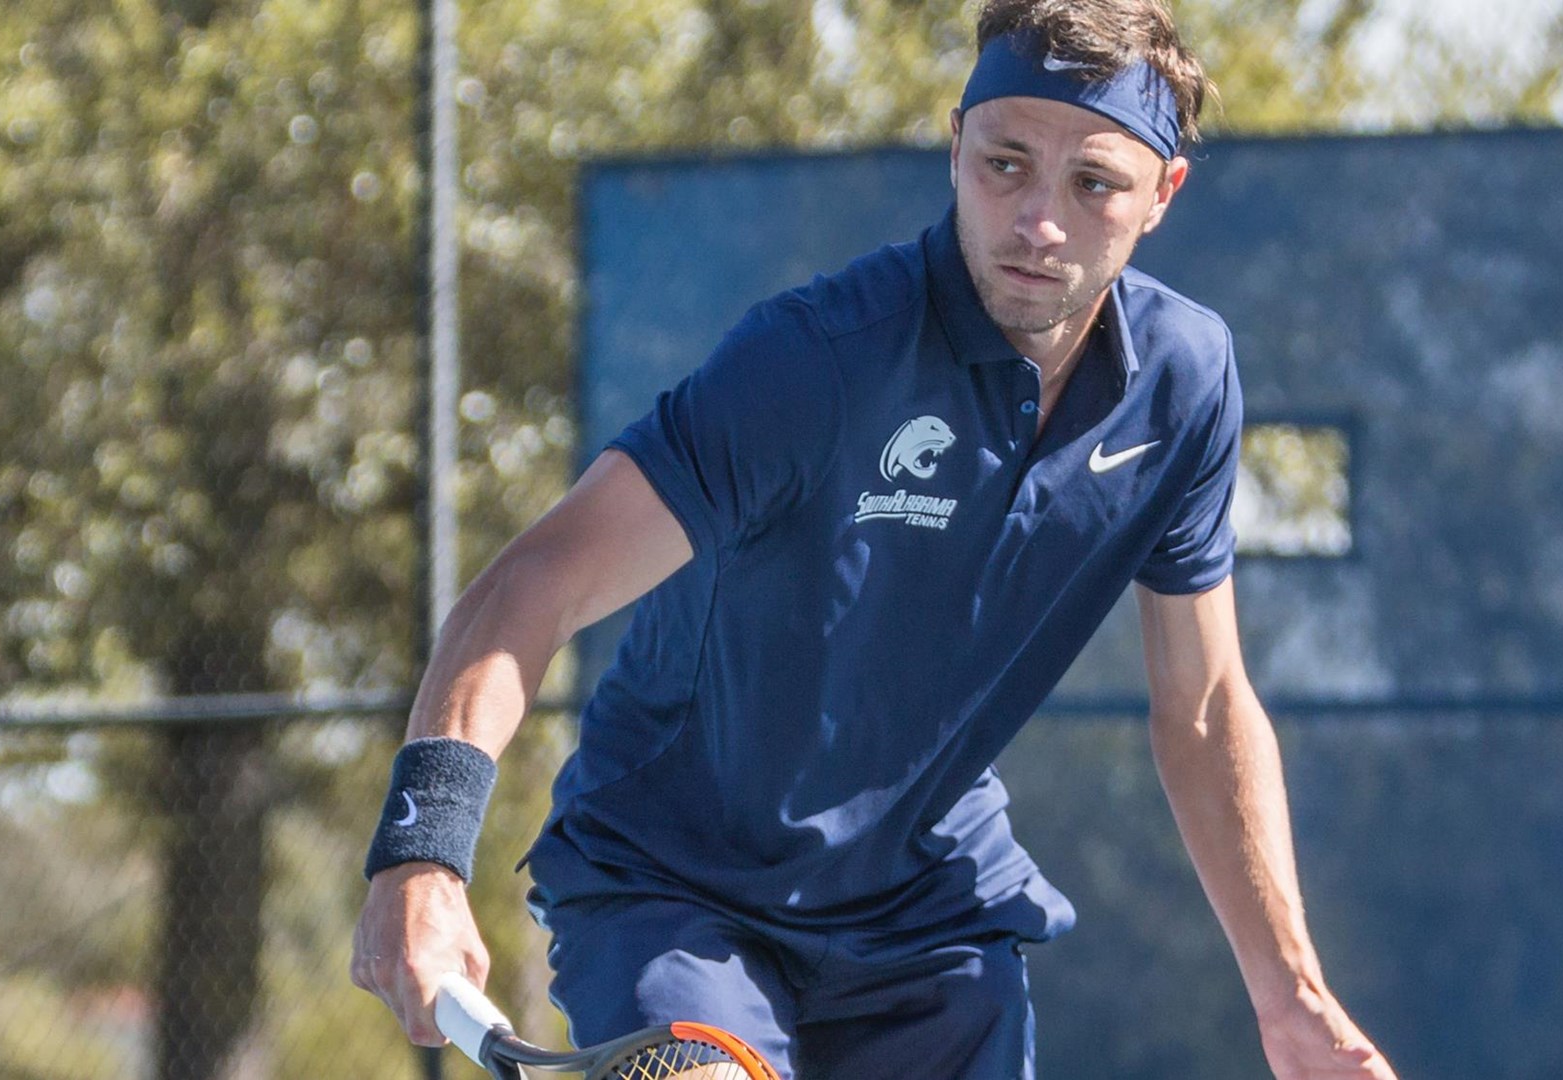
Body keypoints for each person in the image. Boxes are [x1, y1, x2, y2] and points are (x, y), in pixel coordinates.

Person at [354, 1, 1397, 1077]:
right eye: (1003, 165)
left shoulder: (1187, 384)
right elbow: (536, 582)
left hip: (930, 916)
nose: (1038, 220)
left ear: (1162, 195)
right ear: (954, 149)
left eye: (1092, 184)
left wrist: (1292, 1000)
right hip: (680, 889)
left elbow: (1209, 704)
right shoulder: (814, 360)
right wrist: (421, 857)